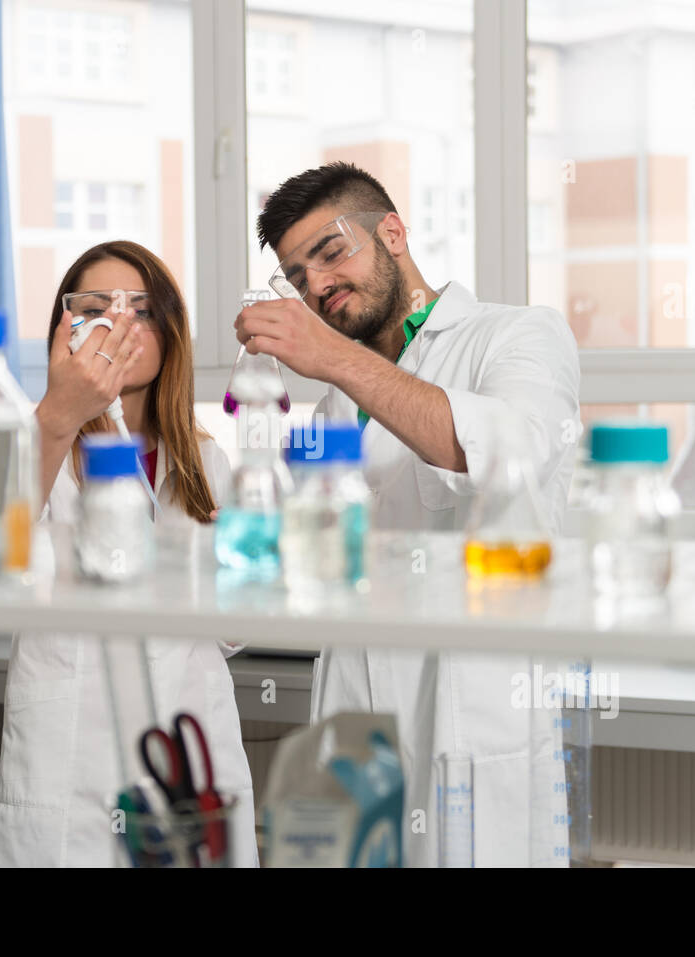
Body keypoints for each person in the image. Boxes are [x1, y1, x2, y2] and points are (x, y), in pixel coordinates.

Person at [235, 162, 581, 866]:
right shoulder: (339, 400)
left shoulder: (518, 336)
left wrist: (332, 357)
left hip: (472, 704)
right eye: (298, 278)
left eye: (331, 253)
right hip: (357, 713)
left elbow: (504, 447)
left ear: (392, 232)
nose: (319, 286)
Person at [0, 240, 256, 867]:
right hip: (72, 753)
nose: (121, 323)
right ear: (64, 333)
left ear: (170, 334)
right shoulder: (36, 443)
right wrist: (57, 417)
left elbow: (230, 632)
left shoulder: (204, 459)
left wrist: (235, 566)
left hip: (189, 745)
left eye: (141, 308)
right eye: (97, 308)